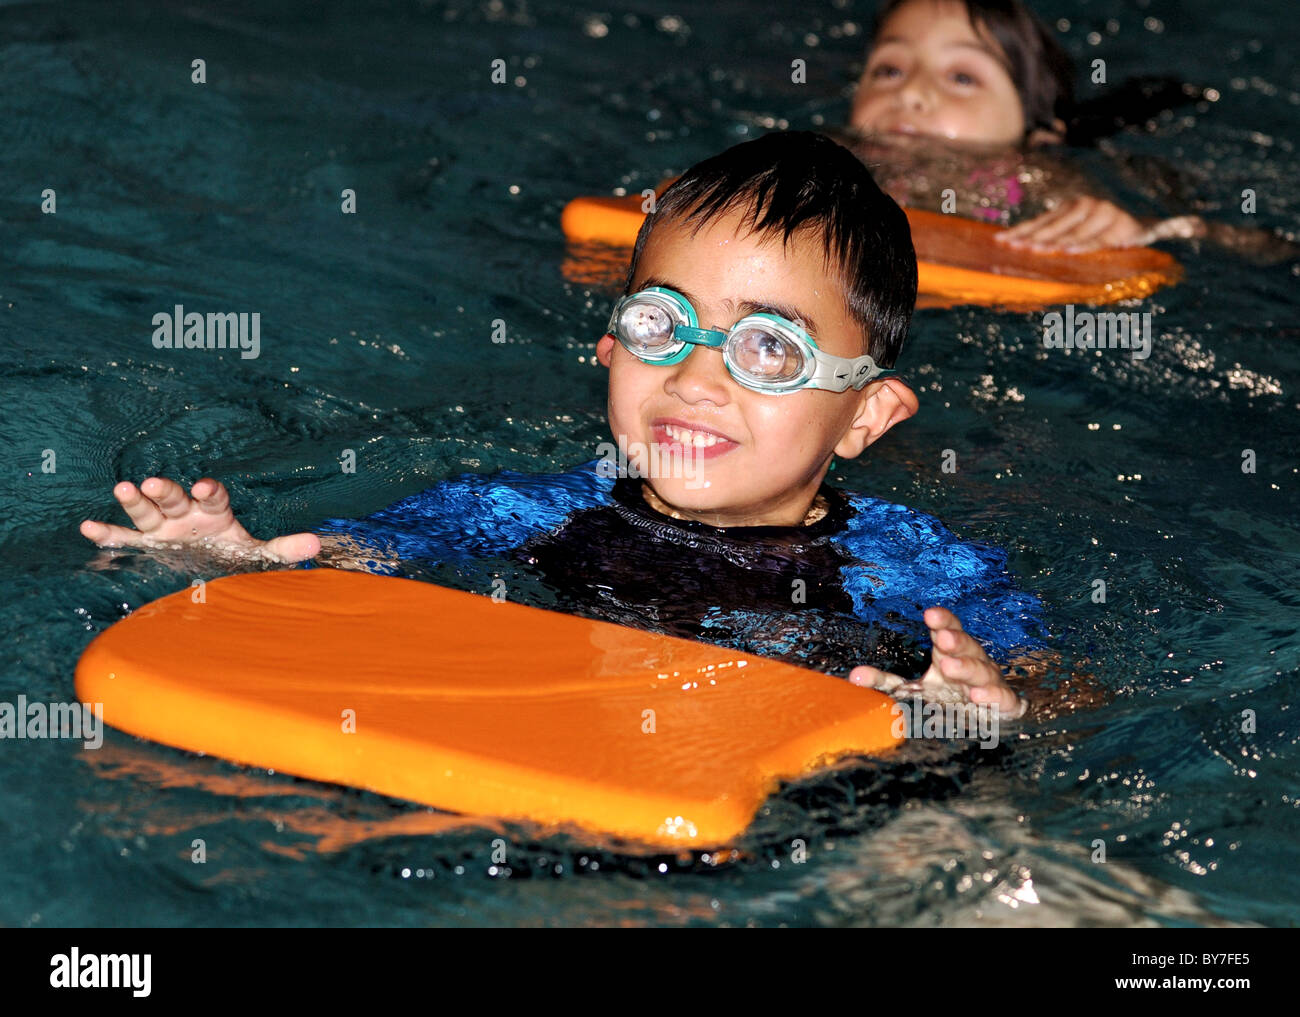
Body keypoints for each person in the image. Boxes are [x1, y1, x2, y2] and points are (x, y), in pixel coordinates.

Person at [81, 132, 1046, 718]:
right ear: (609, 351)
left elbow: (1049, 688)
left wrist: (980, 711)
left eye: (768, 351)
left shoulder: (916, 569)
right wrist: (233, 559)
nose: (698, 376)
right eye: (662, 326)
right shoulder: (527, 506)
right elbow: (357, 560)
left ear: (865, 416)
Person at [844, 0, 1213, 252]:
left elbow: (1252, 245)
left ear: (1038, 134)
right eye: (888, 70)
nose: (910, 92)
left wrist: (1144, 232)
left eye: (962, 77)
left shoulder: (1036, 178)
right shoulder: (837, 158)